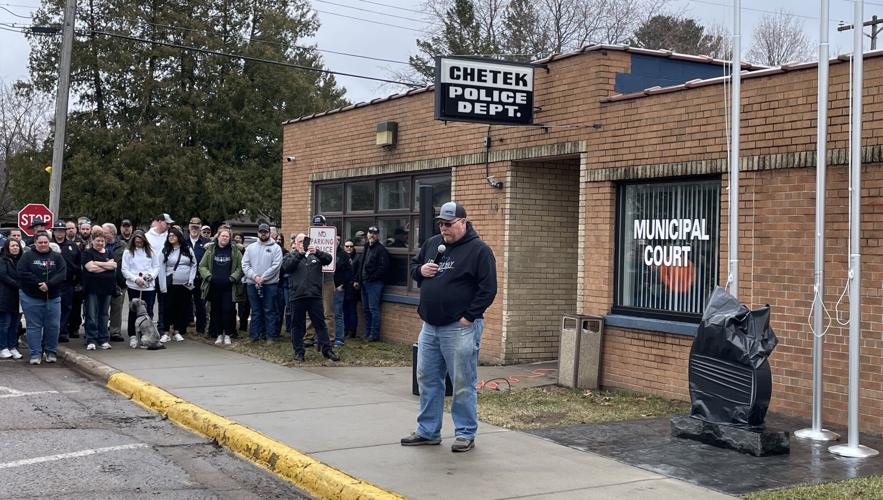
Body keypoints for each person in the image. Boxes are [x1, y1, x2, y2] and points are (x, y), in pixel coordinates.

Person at [401, 202, 497, 453]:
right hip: (430, 326)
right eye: (441, 224)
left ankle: (465, 433)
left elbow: (488, 289)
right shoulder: (433, 244)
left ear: (463, 222)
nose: (445, 229)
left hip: (459, 327)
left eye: (449, 224)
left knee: (462, 381)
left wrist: (469, 316)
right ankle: (428, 431)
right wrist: (421, 270)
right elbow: (413, 269)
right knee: (427, 378)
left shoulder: (479, 251)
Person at [282, 233, 339, 362]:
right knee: (297, 325)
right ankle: (299, 352)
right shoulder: (290, 256)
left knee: (320, 324)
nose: (303, 243)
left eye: (305, 241)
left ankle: (327, 350)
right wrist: (299, 254)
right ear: (295, 244)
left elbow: (328, 259)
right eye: (300, 241)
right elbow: (287, 267)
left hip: (314, 296)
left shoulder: (315, 256)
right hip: (297, 296)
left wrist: (317, 252)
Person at [17, 232, 67, 364]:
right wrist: (39, 284)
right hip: (31, 297)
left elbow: (62, 273)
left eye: (45, 242)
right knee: (34, 326)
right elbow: (22, 272)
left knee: (53, 326)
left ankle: (50, 352)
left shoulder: (57, 257)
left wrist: (49, 285)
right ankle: (35, 354)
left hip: (53, 297)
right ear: (35, 242)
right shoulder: (27, 256)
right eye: (40, 242)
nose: (43, 245)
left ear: (49, 242)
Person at [199, 227, 242, 345]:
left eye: (227, 236)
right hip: (214, 286)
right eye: (223, 236)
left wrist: (232, 278)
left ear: (230, 238)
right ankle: (218, 334)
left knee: (228, 310)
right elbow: (202, 266)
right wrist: (209, 277)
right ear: (218, 236)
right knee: (215, 311)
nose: (225, 238)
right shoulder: (210, 250)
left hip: (229, 287)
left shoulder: (235, 251)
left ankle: (227, 334)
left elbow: (240, 267)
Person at [242, 223, 283, 344]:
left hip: (270, 284)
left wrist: (263, 278)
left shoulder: (276, 248)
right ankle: (254, 336)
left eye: (265, 232)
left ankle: (270, 336)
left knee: (269, 310)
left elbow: (276, 266)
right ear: (258, 233)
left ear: (269, 233)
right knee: (255, 311)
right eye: (261, 232)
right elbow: (245, 264)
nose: (263, 234)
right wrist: (254, 277)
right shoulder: (250, 248)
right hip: (252, 283)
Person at [122, 230, 161, 348]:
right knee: (134, 311)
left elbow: (156, 266)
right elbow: (125, 269)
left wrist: (151, 276)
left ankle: (148, 335)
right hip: (134, 286)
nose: (138, 244)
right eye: (136, 242)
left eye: (141, 242)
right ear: (133, 241)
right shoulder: (128, 252)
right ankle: (133, 335)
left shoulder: (151, 252)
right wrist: (135, 279)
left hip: (148, 287)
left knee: (147, 311)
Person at [160, 226, 197, 342]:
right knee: (168, 308)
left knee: (181, 308)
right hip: (170, 283)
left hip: (184, 284)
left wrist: (191, 280)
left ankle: (177, 330)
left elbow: (194, 264)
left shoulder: (187, 249)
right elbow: (161, 268)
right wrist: (162, 285)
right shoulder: (165, 250)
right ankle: (166, 331)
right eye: (169, 236)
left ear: (179, 237)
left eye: (173, 235)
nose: (171, 237)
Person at [81, 228, 117, 350]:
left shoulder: (109, 253)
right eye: (97, 241)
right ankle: (91, 339)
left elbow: (114, 266)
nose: (100, 243)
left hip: (106, 289)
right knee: (91, 315)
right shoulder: (87, 253)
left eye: (102, 241)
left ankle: (103, 339)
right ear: (93, 241)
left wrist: (98, 263)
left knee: (104, 315)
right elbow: (90, 268)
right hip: (92, 289)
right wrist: (106, 266)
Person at [355, 226, 389, 341]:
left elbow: (383, 268)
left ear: (378, 235)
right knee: (366, 309)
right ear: (367, 234)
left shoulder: (381, 250)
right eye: (370, 233)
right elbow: (361, 264)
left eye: (374, 233)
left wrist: (372, 277)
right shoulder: (366, 247)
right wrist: (358, 279)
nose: (372, 235)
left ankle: (374, 335)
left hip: (374, 283)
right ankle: (368, 332)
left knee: (373, 309)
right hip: (364, 282)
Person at [50, 220, 81, 343]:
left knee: (66, 307)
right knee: (53, 309)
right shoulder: (49, 245)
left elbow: (78, 264)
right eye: (57, 230)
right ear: (54, 232)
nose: (60, 233)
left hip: (67, 282)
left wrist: (78, 281)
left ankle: (62, 332)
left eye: (62, 231)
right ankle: (53, 331)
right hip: (52, 283)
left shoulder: (72, 246)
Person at [147, 213, 173, 336]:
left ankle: (162, 328)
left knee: (163, 303)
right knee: (149, 303)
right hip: (151, 274)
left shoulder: (169, 236)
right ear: (159, 221)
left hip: (164, 274)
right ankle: (148, 328)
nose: (168, 226)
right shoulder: (147, 236)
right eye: (166, 223)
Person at [102, 223, 126, 342]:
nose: (102, 235)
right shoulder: (100, 244)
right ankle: (101, 331)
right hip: (103, 281)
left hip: (119, 282)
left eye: (104, 233)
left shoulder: (123, 246)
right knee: (102, 308)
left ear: (112, 233)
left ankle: (115, 332)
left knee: (117, 308)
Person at [187, 218, 210, 337]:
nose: (194, 229)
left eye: (197, 227)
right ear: (189, 227)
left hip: (200, 278)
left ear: (200, 228)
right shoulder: (184, 241)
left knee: (200, 305)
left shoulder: (206, 243)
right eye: (192, 227)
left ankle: (200, 329)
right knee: (184, 303)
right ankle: (181, 328)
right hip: (185, 278)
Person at [0, 239, 22, 360]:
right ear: (7, 248)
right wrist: (18, 284)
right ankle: (3, 347)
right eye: (12, 246)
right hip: (5, 296)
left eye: (17, 246)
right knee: (4, 324)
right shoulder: (2, 260)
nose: (15, 248)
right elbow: (3, 275)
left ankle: (12, 346)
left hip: (17, 297)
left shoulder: (21, 260)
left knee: (14, 324)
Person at [332, 237, 353, 347]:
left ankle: (339, 338)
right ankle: (327, 336)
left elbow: (349, 272)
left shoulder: (343, 255)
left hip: (338, 288)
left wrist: (342, 285)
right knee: (325, 314)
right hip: (325, 287)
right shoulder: (323, 252)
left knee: (338, 313)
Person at [342, 240, 359, 338]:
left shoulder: (357, 258)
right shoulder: (342, 257)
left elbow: (358, 272)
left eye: (351, 246)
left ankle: (352, 331)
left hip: (352, 287)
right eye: (347, 246)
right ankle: (346, 329)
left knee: (352, 309)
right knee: (344, 310)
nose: (349, 248)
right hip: (343, 286)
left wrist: (355, 281)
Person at [275, 234, 292, 334]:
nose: (278, 241)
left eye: (280, 239)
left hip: (285, 284)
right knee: (278, 309)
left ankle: (289, 329)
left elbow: (284, 268)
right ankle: (277, 330)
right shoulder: (272, 251)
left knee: (288, 309)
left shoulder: (286, 253)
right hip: (276, 283)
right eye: (277, 239)